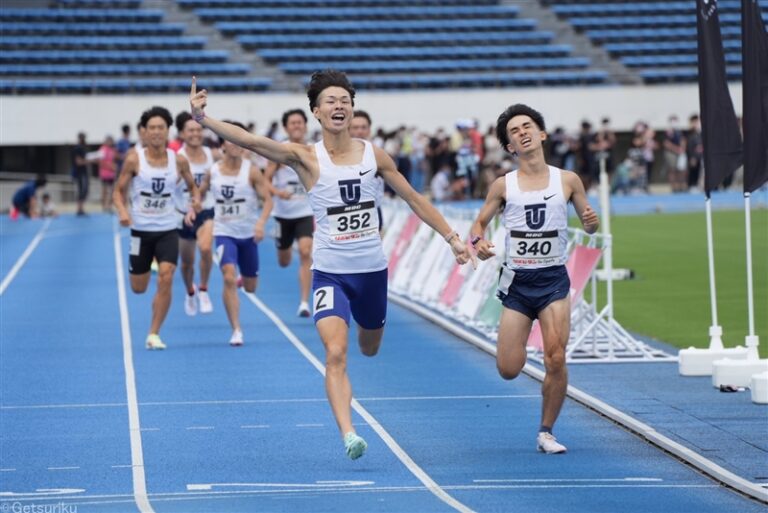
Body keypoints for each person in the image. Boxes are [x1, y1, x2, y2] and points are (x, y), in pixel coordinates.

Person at [190, 70, 475, 459]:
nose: (339, 106)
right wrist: (203, 119)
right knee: (336, 353)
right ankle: (348, 433)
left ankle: (366, 328)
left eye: (345, 100)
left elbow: (413, 198)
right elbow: (252, 140)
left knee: (369, 347)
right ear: (316, 112)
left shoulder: (374, 155)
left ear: (352, 108)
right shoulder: (305, 156)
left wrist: (453, 239)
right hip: (330, 274)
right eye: (330, 101)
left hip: (372, 272)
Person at [469, 104, 599, 455]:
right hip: (518, 284)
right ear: (510, 146)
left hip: (554, 281)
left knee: (555, 357)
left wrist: (591, 222)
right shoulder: (503, 185)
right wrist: (477, 243)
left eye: (528, 126)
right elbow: (478, 225)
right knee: (508, 369)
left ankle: (546, 431)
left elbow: (590, 223)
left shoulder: (568, 180)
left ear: (542, 134)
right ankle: (521, 358)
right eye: (515, 131)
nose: (523, 132)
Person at [113, 106, 200, 351]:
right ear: (144, 132)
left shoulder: (178, 160)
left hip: (167, 229)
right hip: (140, 231)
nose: (156, 132)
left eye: (161, 127)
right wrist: (122, 211)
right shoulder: (134, 159)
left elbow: (193, 187)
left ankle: (154, 332)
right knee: (138, 288)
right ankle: (152, 290)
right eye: (152, 128)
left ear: (168, 131)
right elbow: (118, 192)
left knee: (166, 276)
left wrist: (195, 202)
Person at [195, 121, 273, 345]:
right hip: (224, 232)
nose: (238, 144)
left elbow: (267, 201)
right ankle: (236, 329)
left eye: (241, 139)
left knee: (250, 287)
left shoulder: (252, 171)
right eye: (232, 140)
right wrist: (195, 207)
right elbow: (199, 194)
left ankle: (242, 278)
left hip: (248, 235)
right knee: (228, 277)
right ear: (223, 146)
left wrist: (260, 224)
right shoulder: (214, 171)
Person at [264, 109, 315, 317]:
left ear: (305, 125)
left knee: (305, 252)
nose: (296, 126)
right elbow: (265, 181)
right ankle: (283, 249)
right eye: (292, 123)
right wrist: (277, 192)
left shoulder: (313, 151)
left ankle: (304, 302)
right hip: (282, 214)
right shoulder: (279, 150)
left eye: (300, 122)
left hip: (305, 211)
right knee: (284, 260)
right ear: (286, 127)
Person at [174, 111, 217, 316]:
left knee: (206, 248)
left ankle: (204, 289)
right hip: (183, 213)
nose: (195, 133)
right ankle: (190, 291)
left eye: (198, 129)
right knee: (187, 262)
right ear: (182, 134)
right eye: (190, 130)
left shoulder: (211, 154)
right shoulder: (177, 159)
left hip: (206, 209)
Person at [349, 110, 386, 233]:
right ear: (348, 129)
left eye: (363, 127)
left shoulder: (379, 155)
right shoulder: (337, 156)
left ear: (369, 130)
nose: (359, 131)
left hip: (374, 212)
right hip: (345, 214)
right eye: (355, 127)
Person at [71, 132, 89, 216]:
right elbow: (78, 162)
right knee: (82, 190)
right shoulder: (78, 149)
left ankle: (80, 208)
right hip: (80, 173)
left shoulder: (81, 148)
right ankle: (79, 208)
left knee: (83, 190)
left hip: (82, 172)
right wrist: (89, 161)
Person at [98, 135, 117, 212]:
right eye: (109, 141)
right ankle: (103, 207)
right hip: (104, 173)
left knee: (112, 191)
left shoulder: (112, 150)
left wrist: (114, 167)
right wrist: (110, 166)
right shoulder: (102, 150)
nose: (110, 142)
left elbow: (113, 161)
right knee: (104, 190)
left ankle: (109, 206)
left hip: (111, 174)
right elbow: (100, 162)